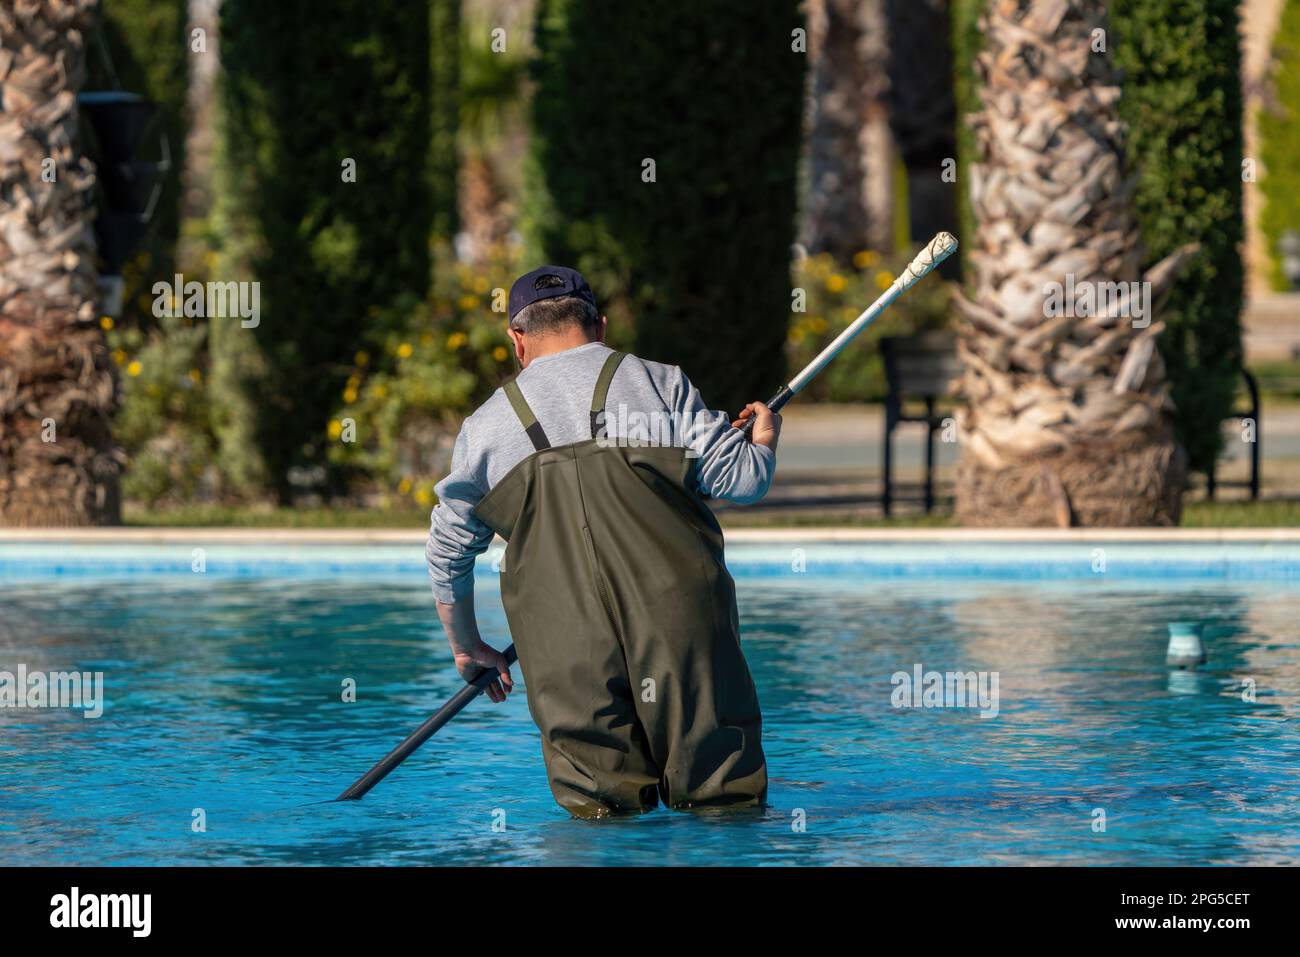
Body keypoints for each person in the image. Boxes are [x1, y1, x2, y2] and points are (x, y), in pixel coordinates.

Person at [425, 265, 780, 818]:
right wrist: (760, 439)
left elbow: (447, 553)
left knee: (600, 815)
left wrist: (468, 646)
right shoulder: (660, 382)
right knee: (723, 798)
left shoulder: (486, 428)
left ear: (517, 339)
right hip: (680, 619)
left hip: (563, 641)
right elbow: (742, 481)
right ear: (601, 326)